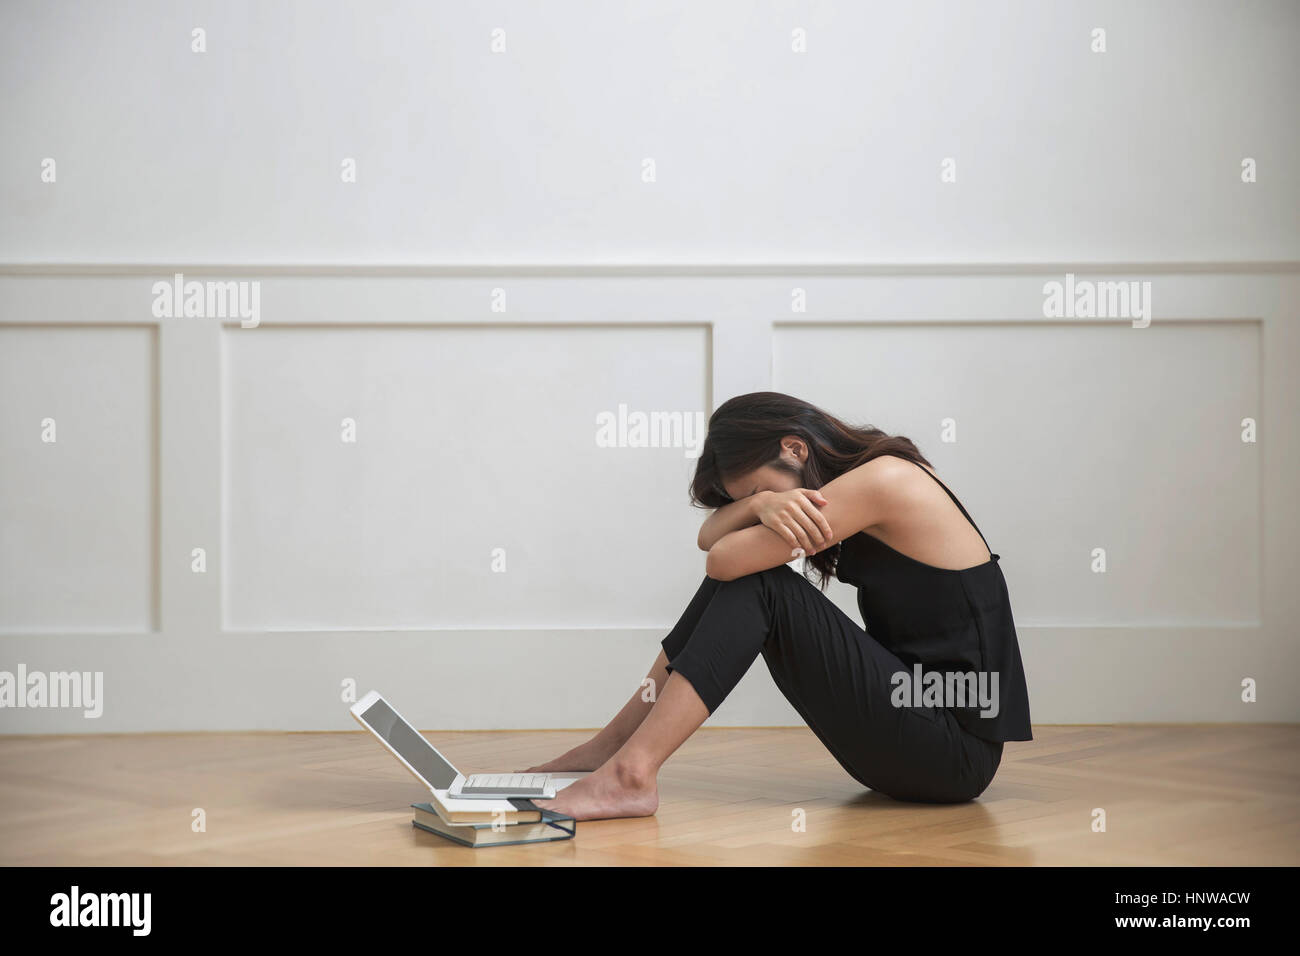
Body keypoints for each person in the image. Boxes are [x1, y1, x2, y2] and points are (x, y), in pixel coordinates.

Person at [527, 391, 1032, 821]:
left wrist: (755, 509)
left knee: (759, 582)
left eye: (762, 490)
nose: (767, 508)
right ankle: (613, 748)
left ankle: (632, 773)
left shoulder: (885, 482)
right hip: (916, 732)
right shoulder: (858, 480)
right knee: (752, 575)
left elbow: (721, 560)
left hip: (950, 754)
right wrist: (757, 503)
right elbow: (712, 540)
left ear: (794, 448)